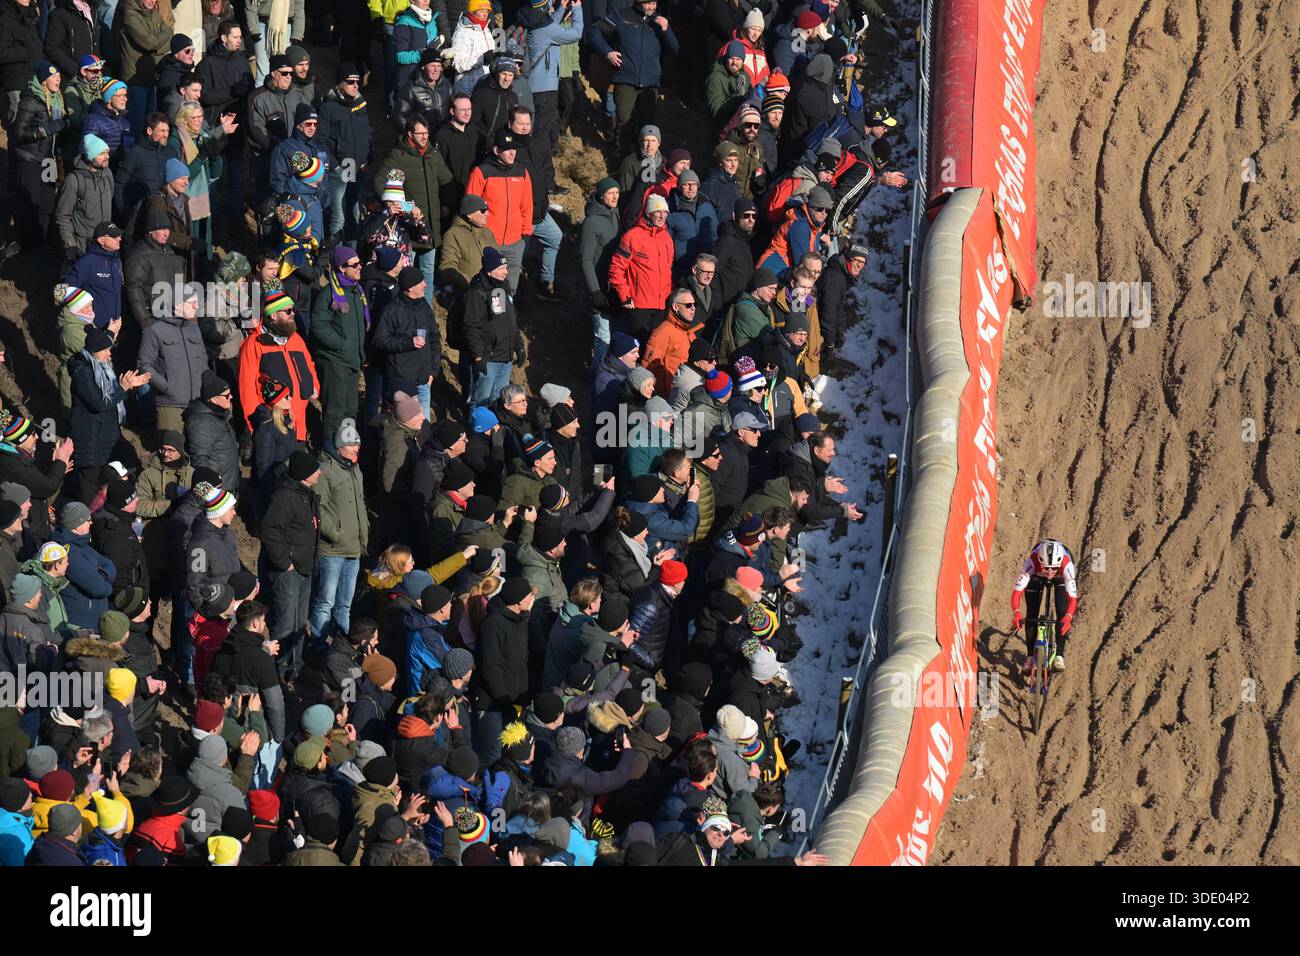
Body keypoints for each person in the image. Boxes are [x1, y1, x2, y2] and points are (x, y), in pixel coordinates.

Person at [371, 117, 454, 304]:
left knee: (428, 273)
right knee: (405, 273)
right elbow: (378, 182)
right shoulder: (398, 156)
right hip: (407, 228)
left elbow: (447, 180)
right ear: (410, 134)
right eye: (420, 134)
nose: (425, 137)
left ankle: (426, 312)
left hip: (429, 226)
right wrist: (394, 205)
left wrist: (447, 205)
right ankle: (403, 310)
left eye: (427, 133)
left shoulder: (433, 154)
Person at [67, 328, 150, 502]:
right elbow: (98, 403)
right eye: (105, 351)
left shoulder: (103, 370)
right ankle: (82, 523)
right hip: (91, 443)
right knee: (88, 491)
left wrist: (127, 388)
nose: (109, 355)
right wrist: (123, 388)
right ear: (94, 351)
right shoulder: (83, 373)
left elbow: (112, 400)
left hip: (106, 439)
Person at [260, 449, 321, 684]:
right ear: (305, 474)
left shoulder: (307, 494)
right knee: (285, 621)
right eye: (315, 469)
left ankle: (296, 667)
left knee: (298, 621)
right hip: (289, 572)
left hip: (304, 568)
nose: (320, 472)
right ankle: (278, 669)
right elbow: (269, 529)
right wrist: (285, 562)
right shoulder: (285, 497)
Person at [590, 0, 678, 151]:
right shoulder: (621, 16)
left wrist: (666, 29)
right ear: (639, 3)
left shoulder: (657, 22)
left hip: (650, 83)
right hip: (626, 79)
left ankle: (643, 166)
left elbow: (674, 49)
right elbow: (594, 31)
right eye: (648, 3)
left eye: (654, 3)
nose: (652, 7)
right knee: (624, 123)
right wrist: (607, 52)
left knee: (647, 127)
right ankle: (623, 162)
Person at [311, 421, 368, 647]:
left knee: (345, 604)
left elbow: (360, 503)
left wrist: (364, 534)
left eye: (358, 445)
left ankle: (343, 646)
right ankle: (318, 646)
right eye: (353, 445)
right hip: (332, 550)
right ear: (340, 447)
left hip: (354, 548)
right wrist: (334, 534)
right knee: (325, 601)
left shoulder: (356, 470)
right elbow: (318, 507)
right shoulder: (324, 470)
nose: (357, 449)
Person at [310, 246, 370, 437]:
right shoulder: (328, 295)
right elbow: (318, 326)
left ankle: (347, 449)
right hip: (335, 362)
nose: (360, 267)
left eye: (360, 263)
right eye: (355, 265)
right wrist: (341, 344)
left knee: (350, 410)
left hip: (352, 361)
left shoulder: (357, 292)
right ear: (342, 268)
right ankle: (330, 451)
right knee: (336, 410)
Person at [464, 129, 532, 294]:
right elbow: (470, 208)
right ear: (496, 150)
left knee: (510, 291)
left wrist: (525, 236)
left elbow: (527, 206)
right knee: (485, 288)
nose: (512, 152)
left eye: (514, 149)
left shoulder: (522, 173)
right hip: (488, 242)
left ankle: (506, 318)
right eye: (507, 149)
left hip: (515, 243)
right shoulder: (481, 173)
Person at [137, 284, 209, 432]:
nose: (196, 307)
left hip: (197, 403)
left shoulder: (194, 329)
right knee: (171, 452)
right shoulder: (154, 330)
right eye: (192, 303)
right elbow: (144, 364)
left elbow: (203, 361)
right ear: (177, 305)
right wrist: (166, 387)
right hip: (170, 406)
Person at [11, 62, 66, 252]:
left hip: (48, 160)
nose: (58, 79)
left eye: (59, 75)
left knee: (48, 202)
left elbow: (58, 134)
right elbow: (19, 133)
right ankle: (28, 245)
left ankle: (43, 242)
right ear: (44, 80)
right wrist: (46, 129)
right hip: (30, 160)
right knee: (30, 203)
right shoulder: (30, 101)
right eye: (54, 76)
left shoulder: (57, 100)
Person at [371, 267, 439, 420]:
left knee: (424, 426)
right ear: (409, 288)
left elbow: (434, 338)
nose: (425, 285)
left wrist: (433, 371)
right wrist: (408, 343)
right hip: (401, 382)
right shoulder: (391, 311)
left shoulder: (424, 307)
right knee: (403, 424)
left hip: (423, 381)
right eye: (420, 282)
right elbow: (379, 340)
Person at [462, 247, 523, 408]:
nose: (505, 272)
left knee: (498, 401)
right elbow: (471, 327)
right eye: (501, 268)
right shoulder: (477, 292)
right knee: (481, 400)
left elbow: (511, 321)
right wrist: (478, 356)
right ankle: (477, 430)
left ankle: (495, 432)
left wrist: (519, 346)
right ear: (490, 271)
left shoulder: (503, 288)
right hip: (489, 358)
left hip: (506, 357)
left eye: (506, 267)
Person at [318, 64, 372, 243]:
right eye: (350, 82)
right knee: (338, 217)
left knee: (354, 215)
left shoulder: (360, 105)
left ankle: (352, 260)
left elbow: (368, 133)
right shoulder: (328, 107)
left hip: (359, 167)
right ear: (340, 84)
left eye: (357, 82)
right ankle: (334, 260)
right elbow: (321, 140)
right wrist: (335, 165)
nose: (355, 85)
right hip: (342, 167)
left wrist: (368, 157)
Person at [1011, 540, 1079, 673]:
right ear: (1039, 561)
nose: (1049, 572)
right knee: (1031, 614)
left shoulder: (1066, 565)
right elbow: (1016, 594)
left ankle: (1059, 655)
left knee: (1061, 611)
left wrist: (1068, 617)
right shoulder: (1031, 562)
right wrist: (1017, 613)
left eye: (1053, 568)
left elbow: (1072, 599)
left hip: (1061, 577)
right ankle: (1030, 656)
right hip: (1036, 575)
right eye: (1046, 568)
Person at [54, 135, 115, 264]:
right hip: (83, 248)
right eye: (102, 153)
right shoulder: (74, 180)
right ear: (90, 157)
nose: (107, 156)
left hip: (104, 245)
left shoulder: (107, 175)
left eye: (107, 153)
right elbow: (63, 216)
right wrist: (70, 244)